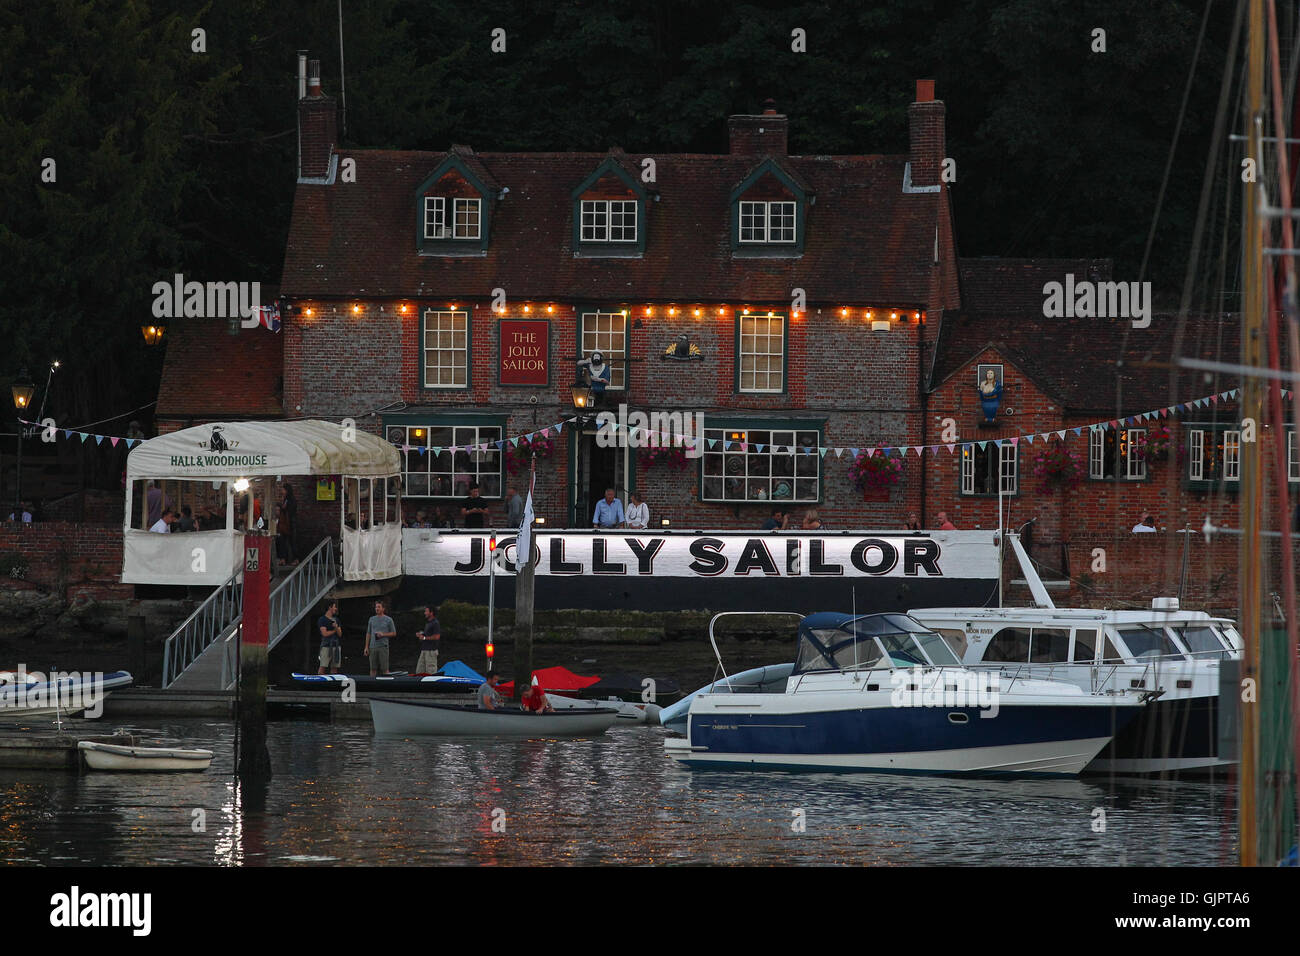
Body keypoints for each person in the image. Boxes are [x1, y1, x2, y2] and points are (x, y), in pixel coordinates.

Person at [363, 599, 397, 678]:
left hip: (383, 647)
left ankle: (386, 685)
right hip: (372, 647)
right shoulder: (371, 619)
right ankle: (371, 684)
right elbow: (368, 633)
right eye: (376, 607)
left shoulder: (389, 620)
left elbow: (394, 633)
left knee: (385, 669)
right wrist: (366, 647)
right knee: (373, 668)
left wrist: (383, 634)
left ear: (383, 609)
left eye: (379, 607)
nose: (377, 609)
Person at [317, 601, 343, 675]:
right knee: (323, 666)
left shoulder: (336, 620)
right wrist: (334, 630)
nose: (336, 609)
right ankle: (320, 683)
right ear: (330, 607)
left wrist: (336, 627)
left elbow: (340, 634)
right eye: (335, 607)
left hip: (336, 646)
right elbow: (324, 634)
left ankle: (333, 684)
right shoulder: (322, 619)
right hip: (326, 646)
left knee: (334, 668)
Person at [415, 605, 441, 675]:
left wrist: (424, 638)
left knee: (431, 672)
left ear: (431, 613)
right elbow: (428, 634)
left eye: (426, 611)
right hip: (424, 650)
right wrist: (421, 634)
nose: (424, 613)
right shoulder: (428, 623)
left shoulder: (435, 623)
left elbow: (437, 637)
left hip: (431, 651)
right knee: (419, 671)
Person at [277, 483, 297, 565]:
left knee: (292, 542)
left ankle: (295, 559)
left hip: (290, 523)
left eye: (283, 489)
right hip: (285, 523)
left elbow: (290, 510)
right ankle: (283, 559)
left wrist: (284, 508)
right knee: (283, 542)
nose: (282, 491)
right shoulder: (286, 499)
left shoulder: (291, 500)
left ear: (287, 490)